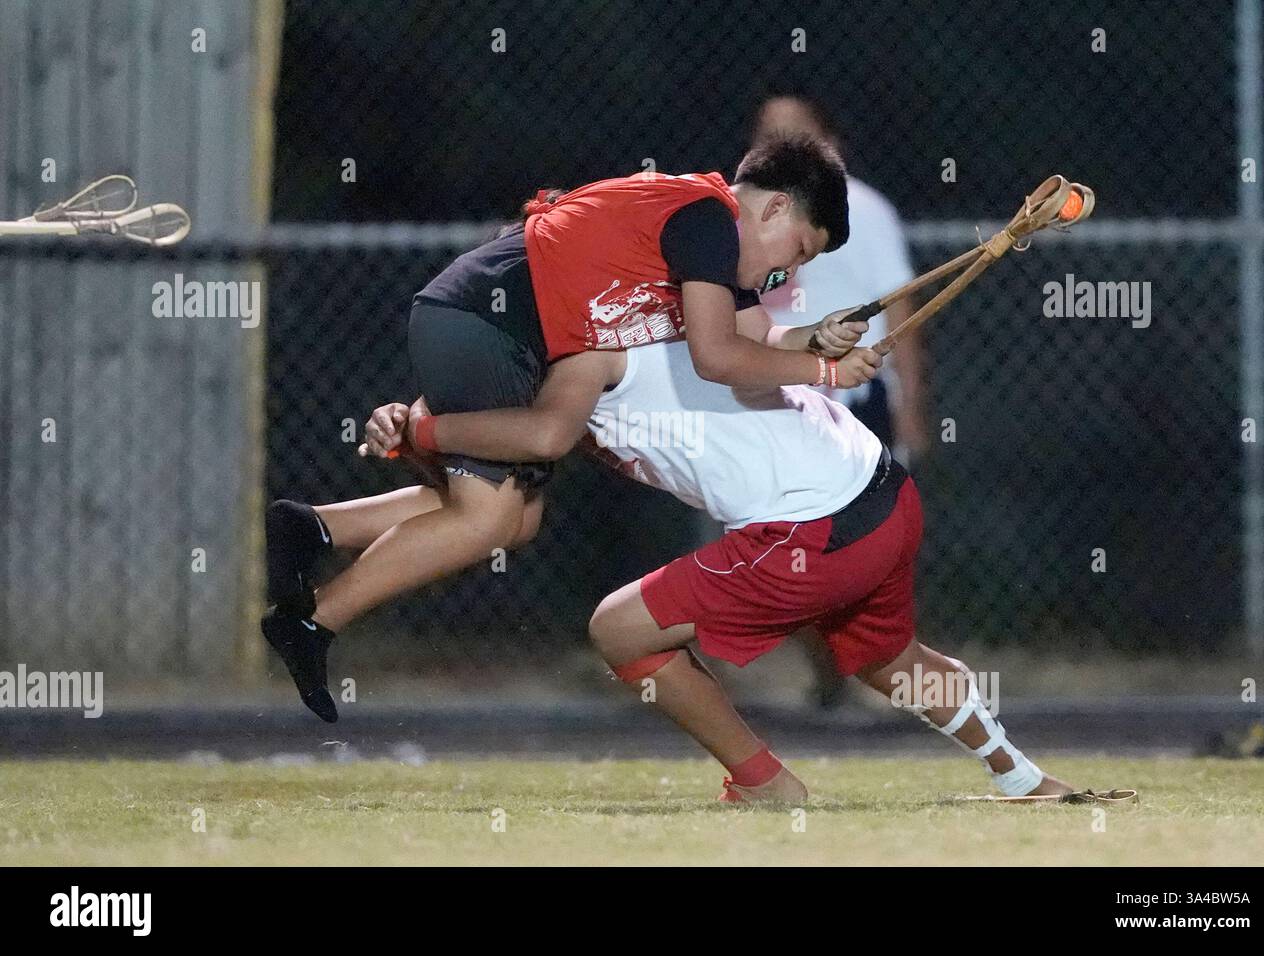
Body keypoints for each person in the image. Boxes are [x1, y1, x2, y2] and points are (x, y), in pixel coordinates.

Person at [263, 132, 881, 721]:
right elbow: (717, 358)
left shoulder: (707, 229)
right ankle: (314, 619)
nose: (786, 275)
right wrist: (823, 371)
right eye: (799, 251)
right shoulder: (708, 219)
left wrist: (815, 338)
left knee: (514, 519)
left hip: (489, 323)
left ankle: (316, 530)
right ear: (774, 208)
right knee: (492, 512)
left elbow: (754, 337)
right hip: (486, 321)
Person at [362, 335, 1072, 803]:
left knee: (618, 629)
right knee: (888, 657)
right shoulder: (648, 313)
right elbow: (497, 477)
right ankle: (1022, 775)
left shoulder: (576, 358)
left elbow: (514, 476)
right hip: (881, 494)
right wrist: (415, 432)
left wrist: (419, 429)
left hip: (811, 526)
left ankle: (765, 783)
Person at [752, 95, 931, 708]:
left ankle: (872, 667)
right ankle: (831, 675)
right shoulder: (739, 212)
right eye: (771, 136)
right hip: (775, 398)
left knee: (857, 545)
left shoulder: (867, 211)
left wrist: (910, 402)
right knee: (782, 542)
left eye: (798, 135)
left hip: (852, 400)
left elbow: (900, 304)